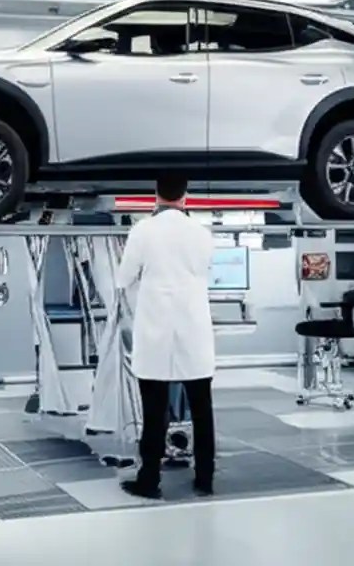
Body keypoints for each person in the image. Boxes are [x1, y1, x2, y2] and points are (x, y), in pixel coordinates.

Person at [115, 175, 217, 498]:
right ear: (186, 195)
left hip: (155, 331)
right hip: (194, 330)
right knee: (202, 410)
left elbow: (123, 277)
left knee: (154, 412)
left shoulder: (143, 231)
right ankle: (204, 479)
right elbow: (205, 271)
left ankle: (149, 480)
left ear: (155, 194)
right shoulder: (202, 234)